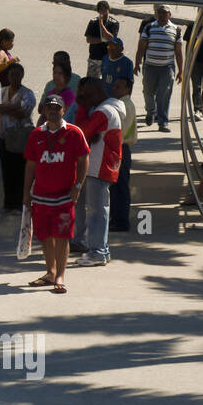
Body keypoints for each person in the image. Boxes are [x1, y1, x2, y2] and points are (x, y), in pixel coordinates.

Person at [23, 93, 90, 294]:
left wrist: (78, 186)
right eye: (49, 108)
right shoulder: (36, 135)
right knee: (44, 236)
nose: (53, 111)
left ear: (63, 110)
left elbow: (84, 159)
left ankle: (60, 275)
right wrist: (26, 192)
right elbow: (30, 166)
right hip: (41, 198)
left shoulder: (74, 133)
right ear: (44, 111)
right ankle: (50, 272)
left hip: (64, 198)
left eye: (57, 108)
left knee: (62, 236)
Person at [73, 78, 124, 266]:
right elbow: (88, 133)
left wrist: (81, 107)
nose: (82, 97)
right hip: (100, 165)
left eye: (85, 94)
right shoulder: (104, 110)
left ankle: (98, 252)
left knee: (96, 211)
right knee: (97, 210)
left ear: (95, 92)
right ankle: (100, 249)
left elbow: (80, 132)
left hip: (99, 166)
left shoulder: (103, 111)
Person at [0, 62, 35, 212]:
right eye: (11, 75)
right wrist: (13, 107)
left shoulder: (27, 93)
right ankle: (8, 204)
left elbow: (23, 113)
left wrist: (3, 108)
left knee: (20, 171)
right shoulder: (1, 91)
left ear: (22, 75)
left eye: (17, 75)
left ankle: (20, 204)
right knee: (6, 171)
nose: (14, 77)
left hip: (20, 138)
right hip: (3, 138)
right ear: (8, 76)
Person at [135, 4, 184, 131]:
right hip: (150, 66)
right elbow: (141, 46)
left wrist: (181, 71)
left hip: (167, 68)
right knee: (148, 92)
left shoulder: (176, 30)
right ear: (156, 14)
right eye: (160, 12)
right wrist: (137, 63)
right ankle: (151, 111)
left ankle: (163, 122)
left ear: (169, 14)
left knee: (164, 94)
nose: (162, 15)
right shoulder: (149, 27)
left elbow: (178, 52)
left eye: (164, 12)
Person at [109, 76, 137, 232]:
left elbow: (121, 130)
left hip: (121, 148)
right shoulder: (121, 104)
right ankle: (116, 218)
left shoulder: (126, 105)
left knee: (120, 186)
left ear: (127, 90)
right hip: (119, 148)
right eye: (114, 86)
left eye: (118, 87)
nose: (114, 89)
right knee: (116, 186)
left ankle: (121, 220)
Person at [84, 0, 120, 81]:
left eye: (105, 9)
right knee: (92, 83)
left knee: (107, 83)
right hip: (94, 57)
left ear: (108, 9)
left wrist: (101, 24)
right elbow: (89, 39)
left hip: (108, 58)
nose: (103, 12)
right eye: (100, 9)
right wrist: (103, 40)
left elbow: (111, 38)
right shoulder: (93, 22)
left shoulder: (114, 23)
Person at [42, 53, 79, 124]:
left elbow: (66, 117)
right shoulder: (51, 92)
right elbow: (42, 114)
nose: (56, 76)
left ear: (67, 76)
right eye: (55, 73)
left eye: (60, 73)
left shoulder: (69, 94)